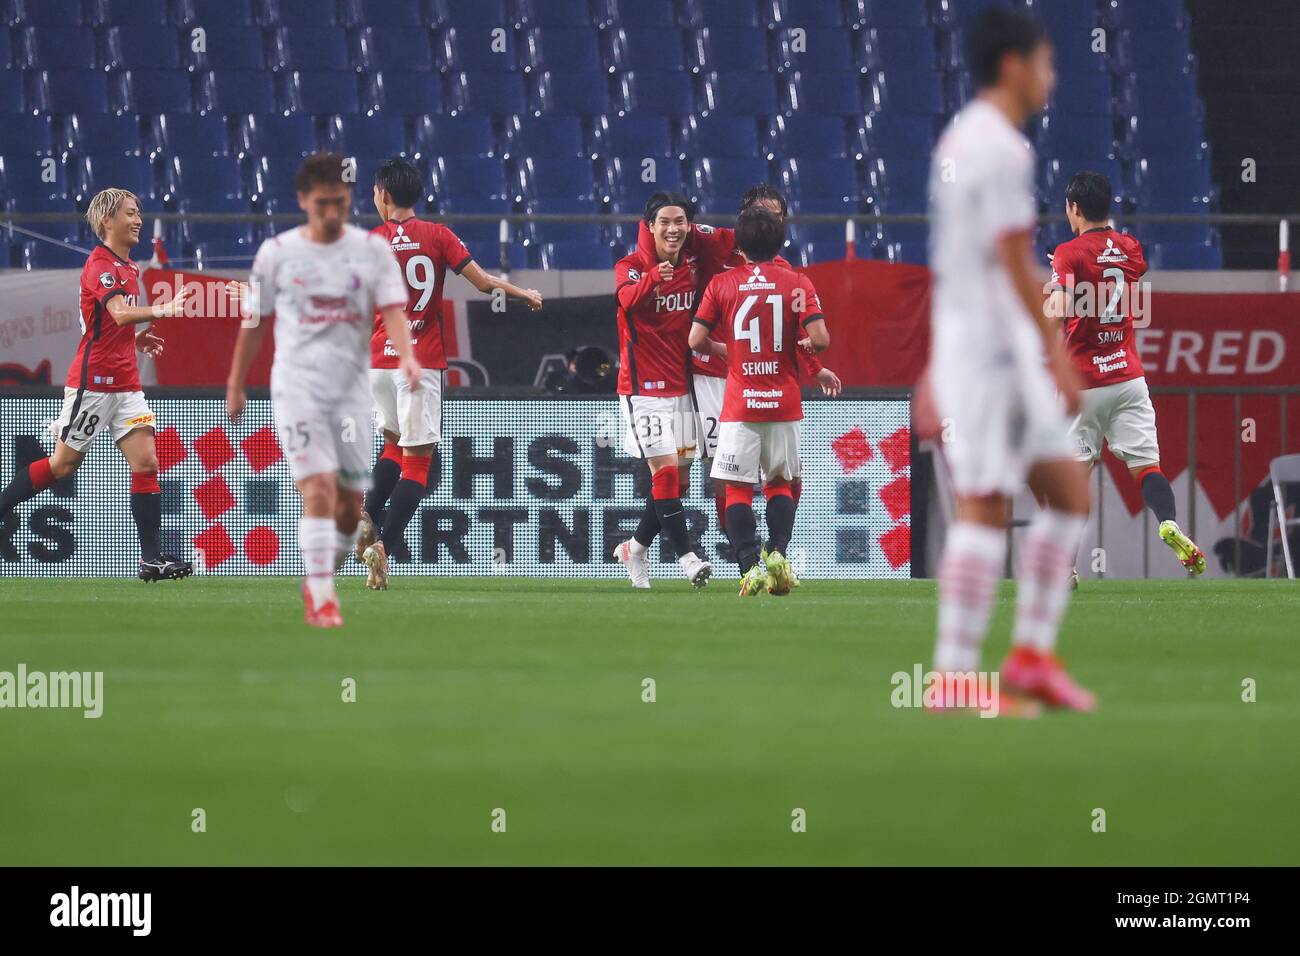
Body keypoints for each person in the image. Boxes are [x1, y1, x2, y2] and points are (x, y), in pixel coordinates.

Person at [927, 9, 1094, 714]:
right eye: (1047, 63)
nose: (1052, 78)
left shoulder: (964, 140)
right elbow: (1014, 261)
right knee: (988, 503)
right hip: (995, 352)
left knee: (1068, 493)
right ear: (1014, 65)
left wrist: (936, 363)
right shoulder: (999, 147)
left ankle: (1029, 655)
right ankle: (954, 675)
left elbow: (956, 263)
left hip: (981, 345)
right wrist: (1057, 352)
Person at [226, 153, 417, 627]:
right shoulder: (277, 253)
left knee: (351, 507)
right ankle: (320, 592)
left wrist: (407, 354)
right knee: (316, 489)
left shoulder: (370, 250)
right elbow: (254, 322)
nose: (332, 212)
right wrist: (235, 382)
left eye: (339, 202)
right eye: (321, 203)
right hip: (297, 386)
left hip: (352, 386)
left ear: (349, 200)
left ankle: (345, 546)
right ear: (304, 201)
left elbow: (393, 308)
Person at [355, 158, 542, 589]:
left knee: (392, 447)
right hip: (419, 363)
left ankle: (367, 510)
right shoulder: (438, 236)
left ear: (383, 195)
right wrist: (523, 294)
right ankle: (383, 544)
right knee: (418, 464)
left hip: (378, 364)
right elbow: (480, 282)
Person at [0, 187, 194, 581]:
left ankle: (151, 560)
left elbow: (108, 324)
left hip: (126, 385)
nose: (138, 219)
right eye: (130, 213)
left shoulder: (129, 266)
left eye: (139, 212)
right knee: (63, 464)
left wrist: (136, 339)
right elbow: (120, 314)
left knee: (147, 463)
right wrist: (163, 309)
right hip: (93, 384)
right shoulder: (100, 265)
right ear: (107, 220)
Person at [1049, 170, 1205, 578]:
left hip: (1083, 383)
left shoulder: (1068, 252)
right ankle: (1169, 523)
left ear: (1074, 208)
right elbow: (1115, 276)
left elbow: (1062, 307)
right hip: (1129, 379)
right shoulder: (1132, 248)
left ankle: (1065, 569)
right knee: (1146, 467)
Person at [689, 207, 829, 596]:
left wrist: (728, 350)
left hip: (740, 402)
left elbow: (695, 341)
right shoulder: (797, 283)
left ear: (739, 243)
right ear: (780, 243)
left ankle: (749, 567)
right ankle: (779, 555)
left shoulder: (722, 283)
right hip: (783, 401)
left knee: (736, 487)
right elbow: (821, 339)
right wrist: (804, 345)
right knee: (780, 482)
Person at [611, 192, 713, 589]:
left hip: (682, 387)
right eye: (665, 222)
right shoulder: (631, 266)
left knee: (678, 482)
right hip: (642, 389)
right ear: (649, 226)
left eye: (680, 222)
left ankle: (634, 548)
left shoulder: (692, 262)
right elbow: (625, 301)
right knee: (666, 474)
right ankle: (688, 559)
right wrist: (655, 276)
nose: (673, 229)